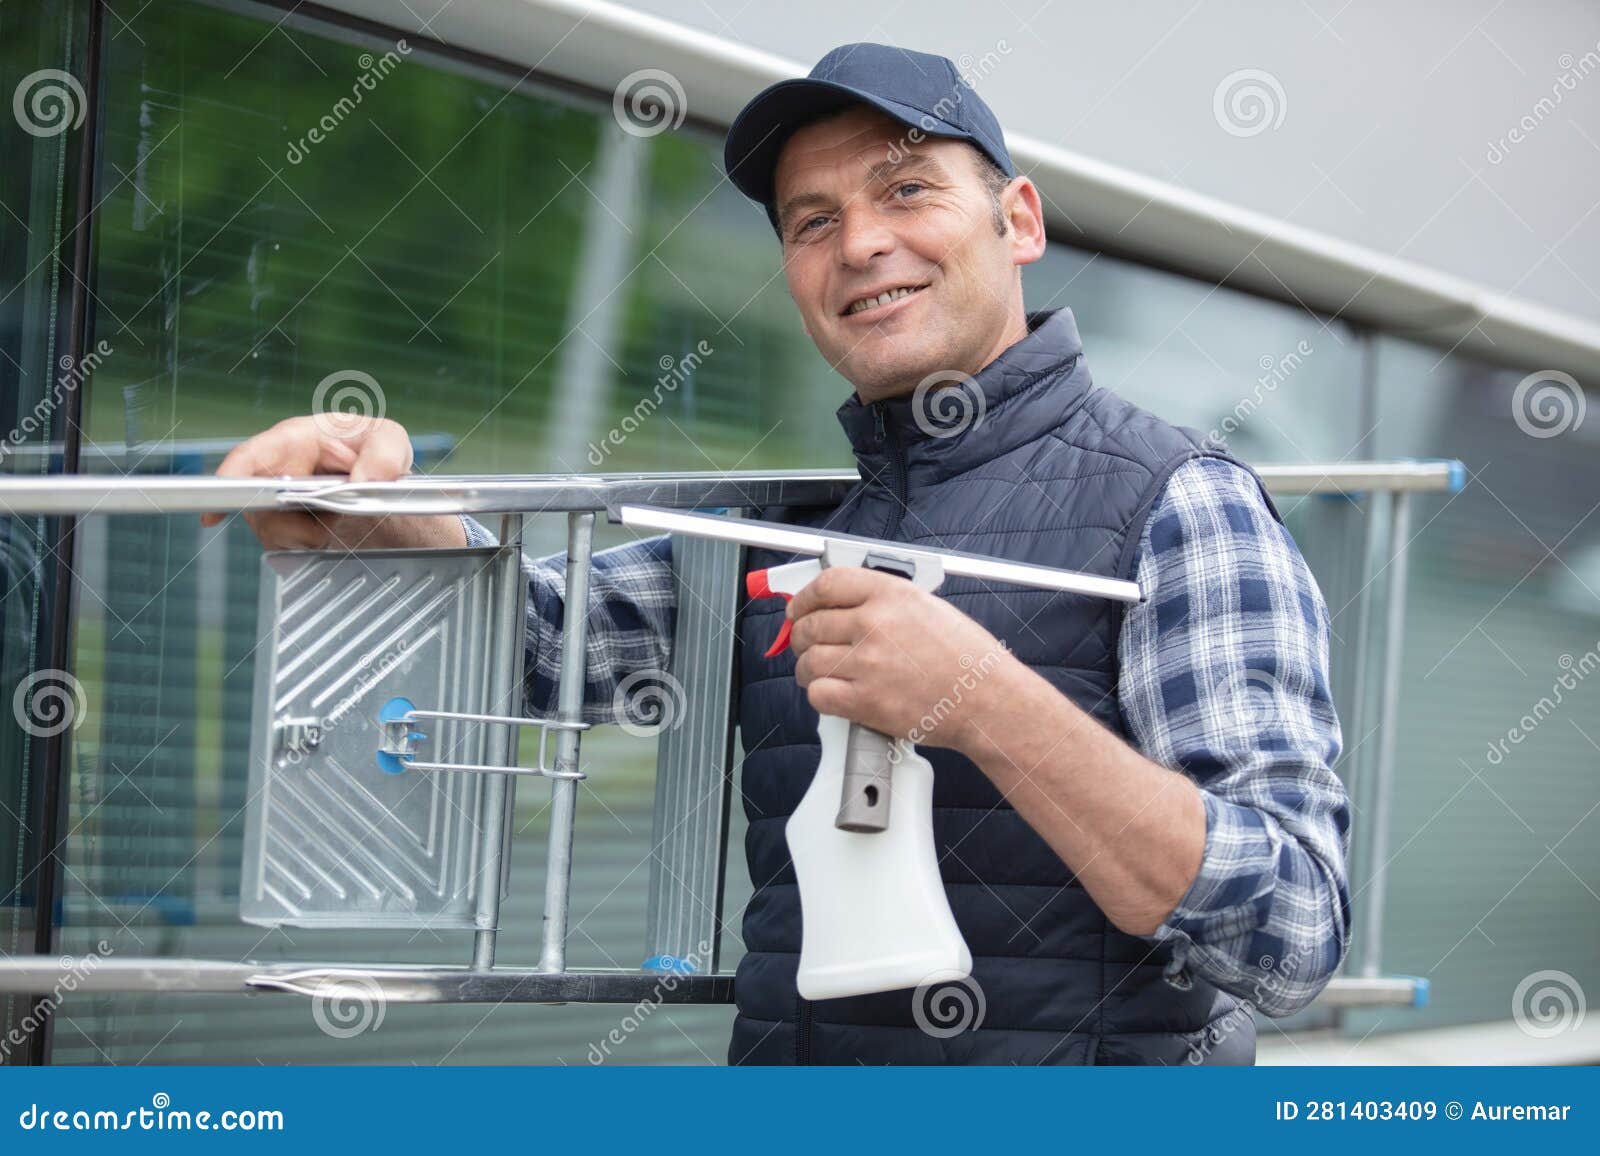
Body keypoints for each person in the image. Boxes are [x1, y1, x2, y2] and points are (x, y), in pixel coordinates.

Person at [209, 42, 1350, 1065]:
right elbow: (542, 653)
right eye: (811, 220)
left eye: (906, 189)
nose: (860, 242)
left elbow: (1289, 932)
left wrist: (984, 701)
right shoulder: (791, 542)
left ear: (1018, 222)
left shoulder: (1178, 503)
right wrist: (383, 524)